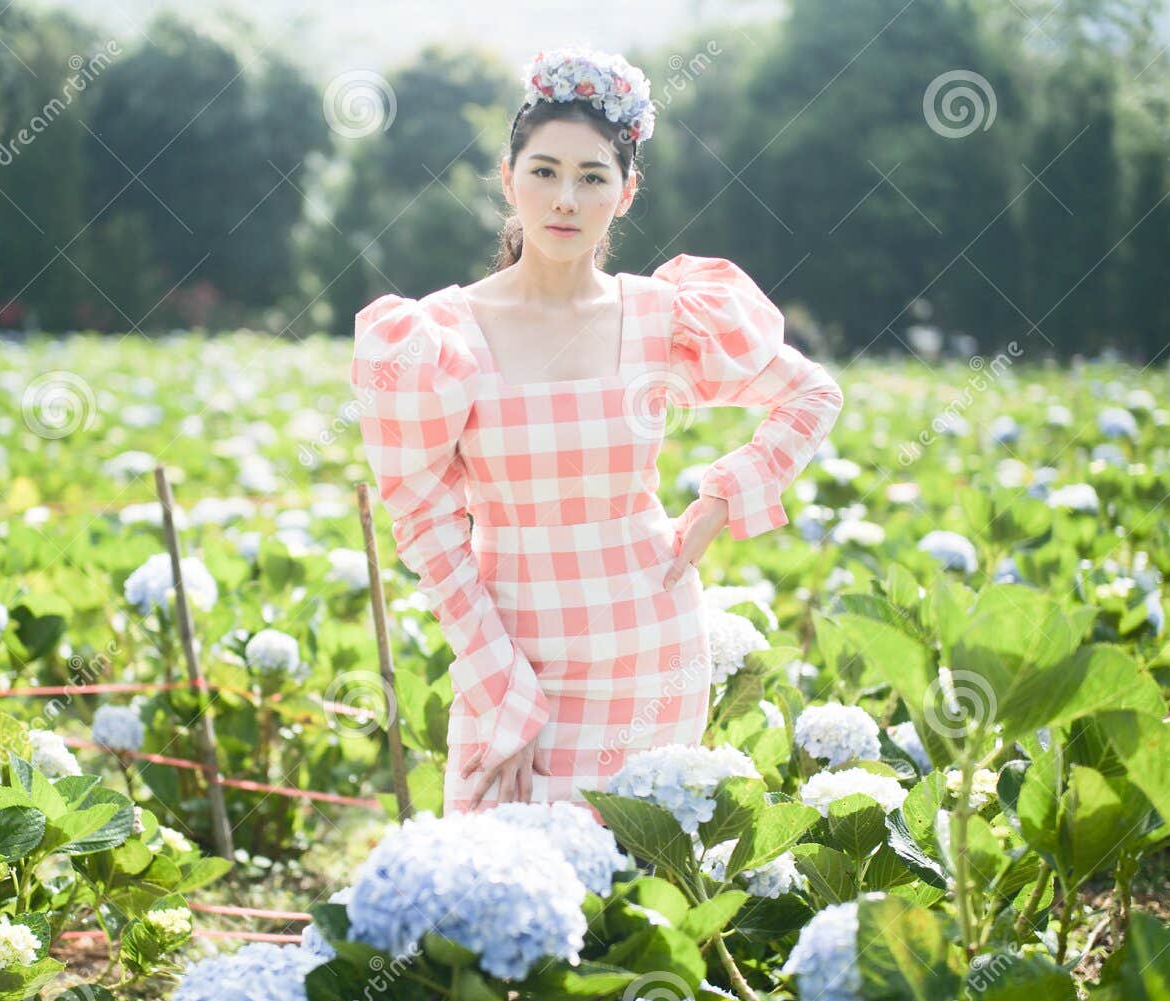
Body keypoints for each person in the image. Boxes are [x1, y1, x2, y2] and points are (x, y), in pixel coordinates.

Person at [349, 46, 843, 818]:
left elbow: (812, 394)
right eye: (543, 171)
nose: (565, 200)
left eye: (592, 177)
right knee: (497, 890)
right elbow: (425, 524)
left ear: (627, 191)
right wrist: (500, 687)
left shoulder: (664, 315)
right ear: (508, 179)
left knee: (635, 891)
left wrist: (721, 500)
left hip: (649, 649)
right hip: (509, 646)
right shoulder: (436, 335)